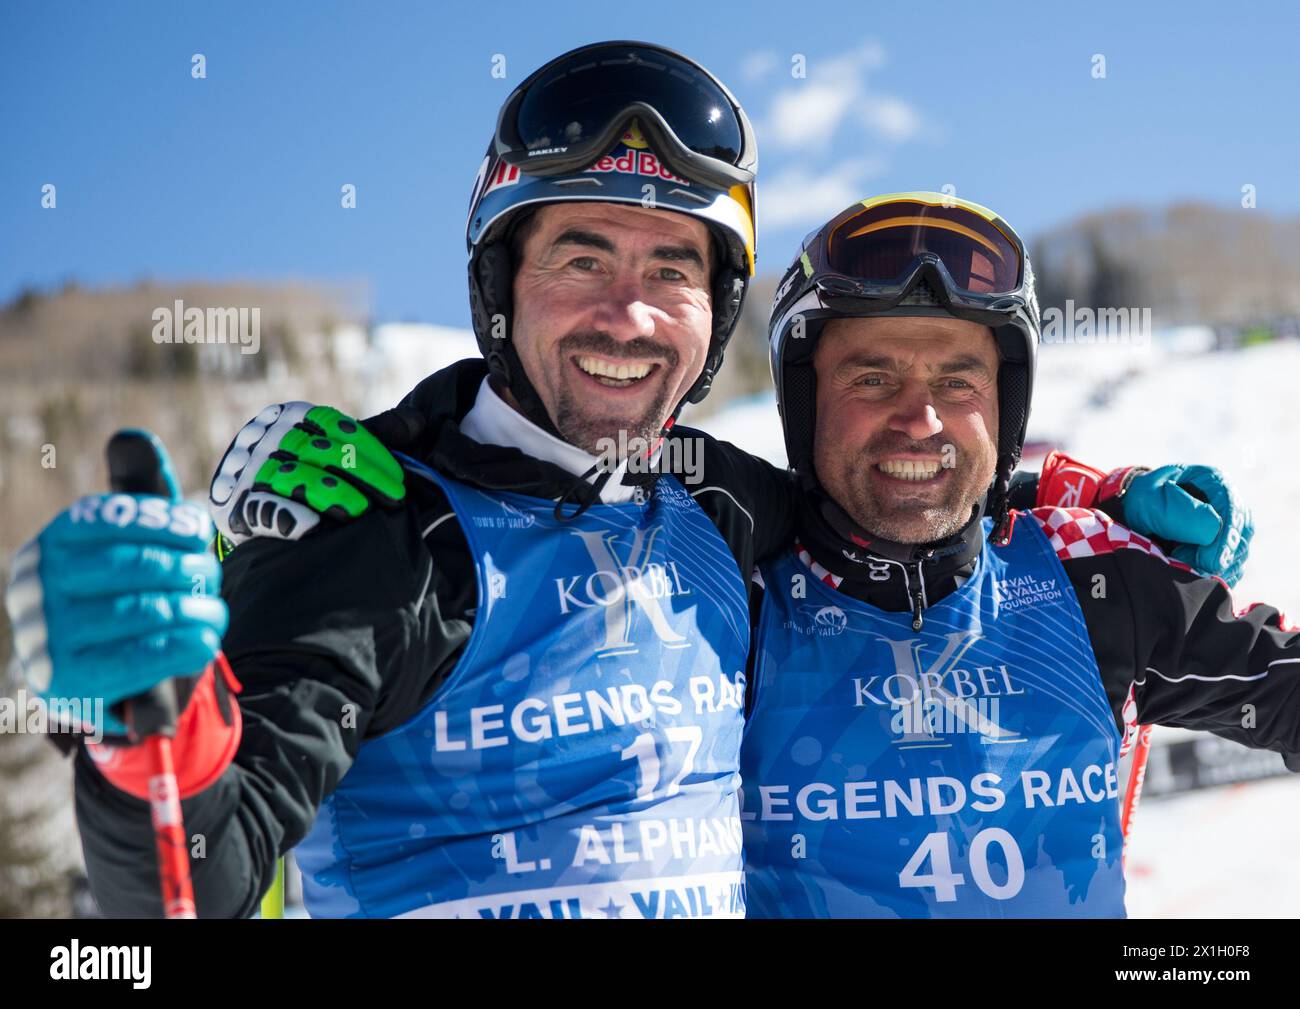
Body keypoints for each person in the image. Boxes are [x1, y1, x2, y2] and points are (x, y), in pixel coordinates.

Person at [4, 44, 1249, 917]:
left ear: (714, 320)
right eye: (581, 255)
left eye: (673, 270)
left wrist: (1081, 493)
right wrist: (140, 734)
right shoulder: (378, 527)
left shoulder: (716, 501)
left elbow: (899, 495)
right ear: (501, 285)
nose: (629, 312)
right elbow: (190, 884)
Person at [740, 192, 1298, 917]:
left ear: (1006, 407)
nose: (922, 420)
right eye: (873, 378)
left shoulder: (1092, 574)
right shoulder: (733, 598)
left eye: (958, 380)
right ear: (805, 402)